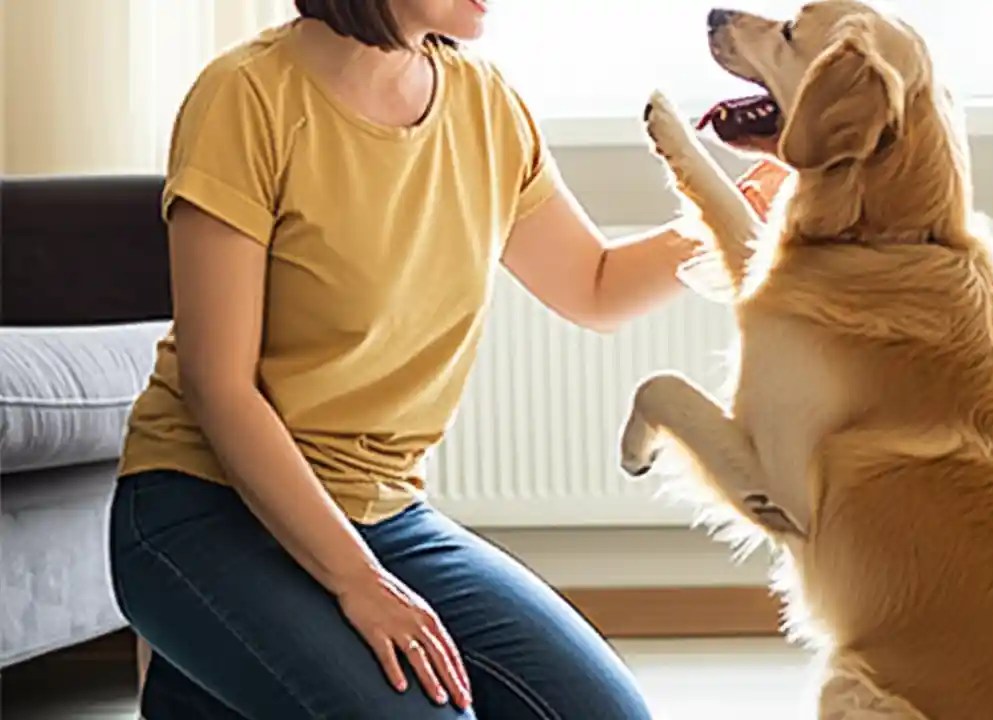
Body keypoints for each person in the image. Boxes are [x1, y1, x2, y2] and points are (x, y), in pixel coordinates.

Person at [108, 1, 786, 718]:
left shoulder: (485, 105)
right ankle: (212, 656)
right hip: (202, 504)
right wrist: (357, 583)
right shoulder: (245, 98)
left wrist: (744, 208)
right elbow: (219, 389)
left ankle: (207, 689)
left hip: (382, 511)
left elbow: (594, 286)